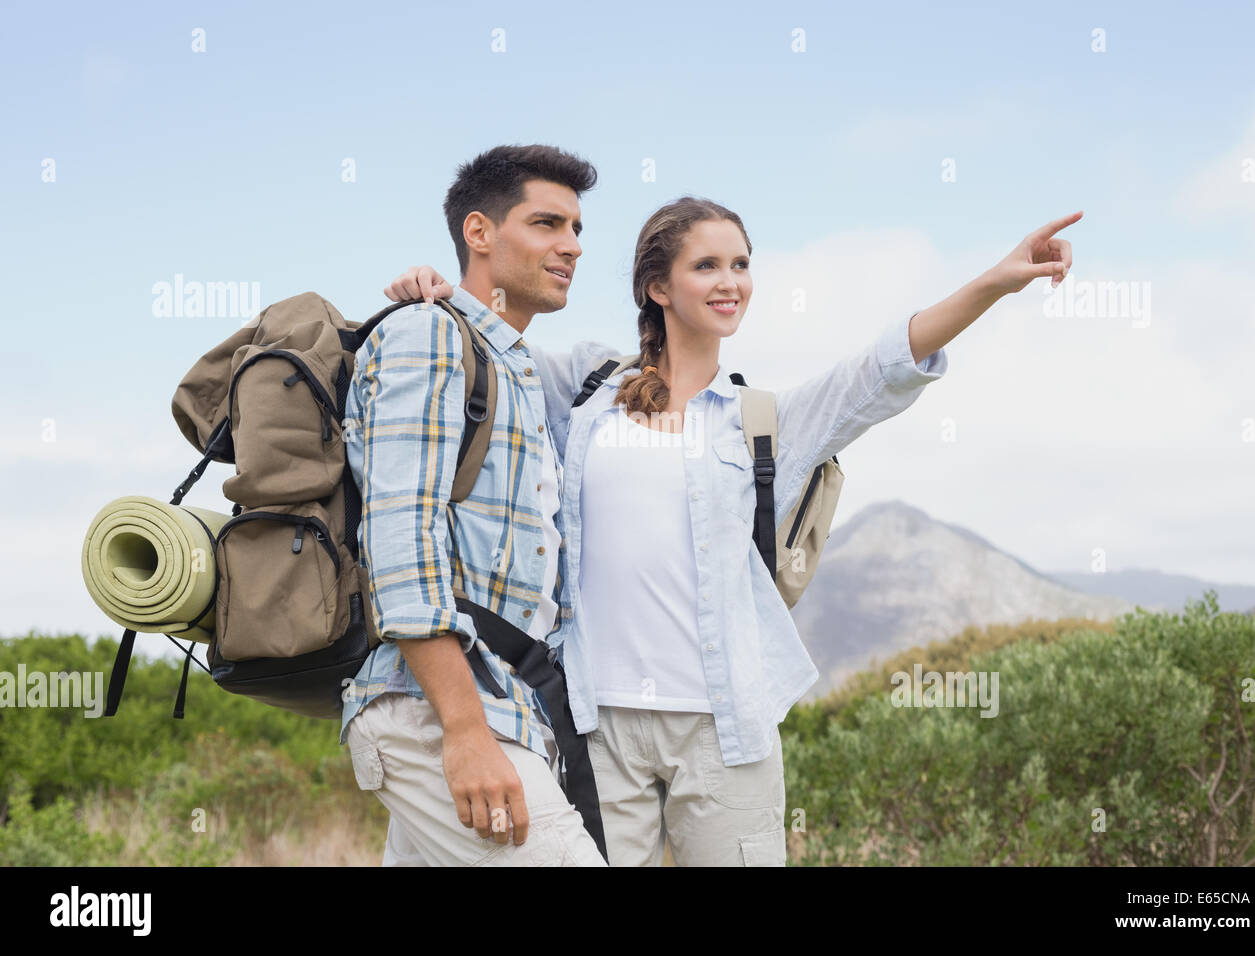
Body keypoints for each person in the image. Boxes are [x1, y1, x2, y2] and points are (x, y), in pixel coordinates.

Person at [385, 199, 1080, 866]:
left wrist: (996, 282)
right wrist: (437, 297)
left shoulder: (763, 420)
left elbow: (883, 367)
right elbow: (486, 348)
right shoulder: (585, 388)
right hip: (596, 725)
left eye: (741, 265)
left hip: (726, 731)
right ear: (658, 285)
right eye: (708, 266)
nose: (731, 283)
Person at [341, 143, 609, 866]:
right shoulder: (430, 334)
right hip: (438, 714)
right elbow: (400, 538)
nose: (572, 247)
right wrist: (464, 732)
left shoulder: (514, 366)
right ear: (479, 233)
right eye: (548, 224)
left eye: (578, 229)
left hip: (503, 709)